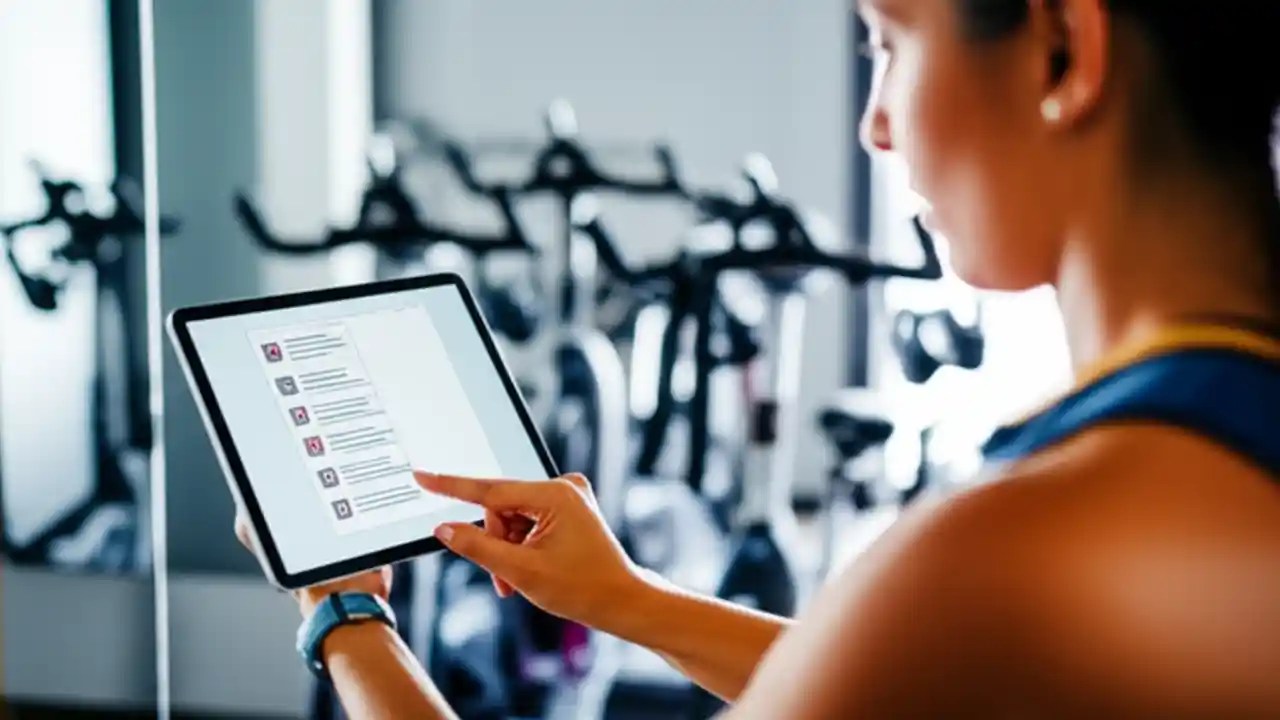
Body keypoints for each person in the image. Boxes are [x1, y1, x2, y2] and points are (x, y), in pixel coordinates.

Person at [236, 0, 1280, 716]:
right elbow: (895, 685)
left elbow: (926, 648)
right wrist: (624, 597)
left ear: (1061, 49)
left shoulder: (1017, 551)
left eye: (889, 42)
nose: (875, 125)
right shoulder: (1215, 455)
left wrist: (346, 614)